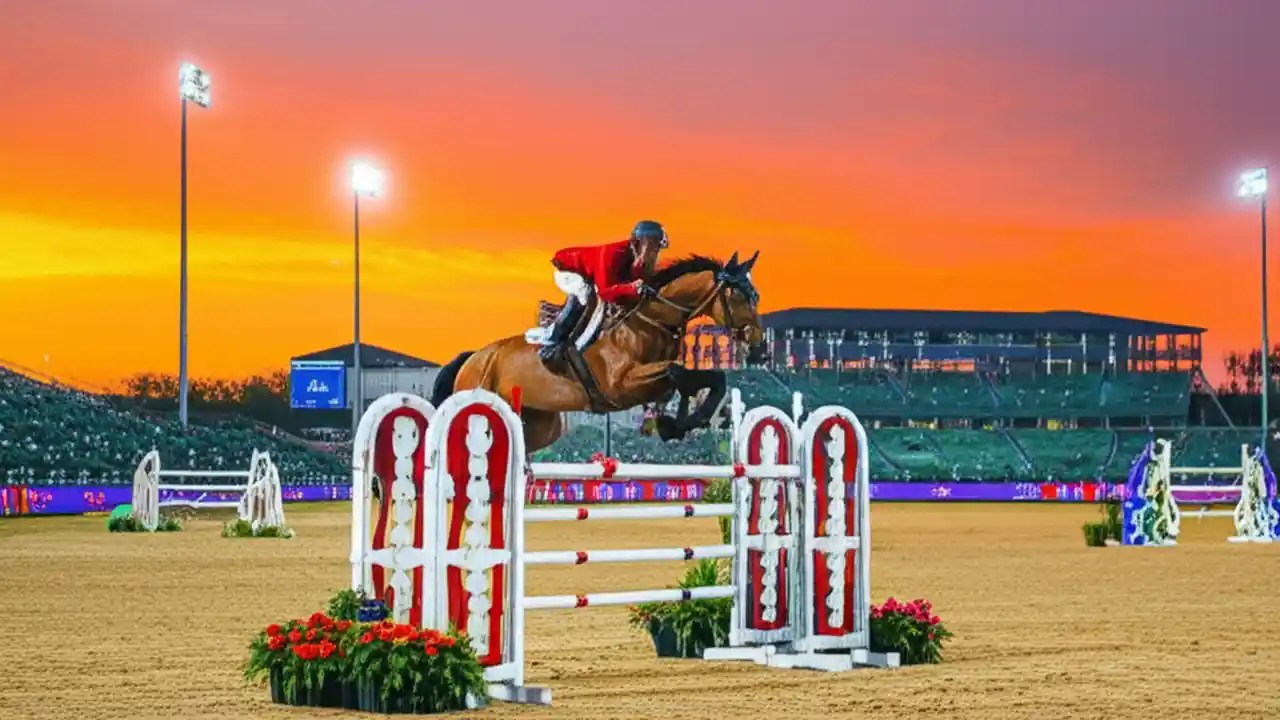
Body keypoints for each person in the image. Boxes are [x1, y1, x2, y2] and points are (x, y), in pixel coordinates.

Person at [538, 220, 668, 362]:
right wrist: (632, 288)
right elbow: (605, 292)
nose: (655, 252)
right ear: (639, 242)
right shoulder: (612, 254)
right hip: (566, 270)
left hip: (589, 275)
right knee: (590, 297)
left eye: (657, 247)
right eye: (653, 245)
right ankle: (555, 341)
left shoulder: (635, 259)